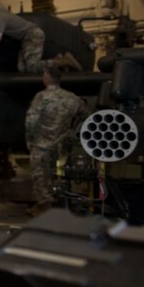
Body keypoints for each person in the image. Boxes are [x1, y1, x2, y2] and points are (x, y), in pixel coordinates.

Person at [0, 0, 82, 73]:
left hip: (33, 34)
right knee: (22, 69)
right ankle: (58, 59)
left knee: (32, 67)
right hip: (25, 38)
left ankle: (62, 61)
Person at [25, 67, 89, 216]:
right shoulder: (72, 97)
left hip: (42, 143)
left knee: (39, 174)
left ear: (47, 77)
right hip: (62, 143)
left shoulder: (41, 97)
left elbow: (31, 120)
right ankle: (60, 204)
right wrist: (73, 130)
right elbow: (86, 115)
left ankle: (44, 208)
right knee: (58, 174)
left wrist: (29, 138)